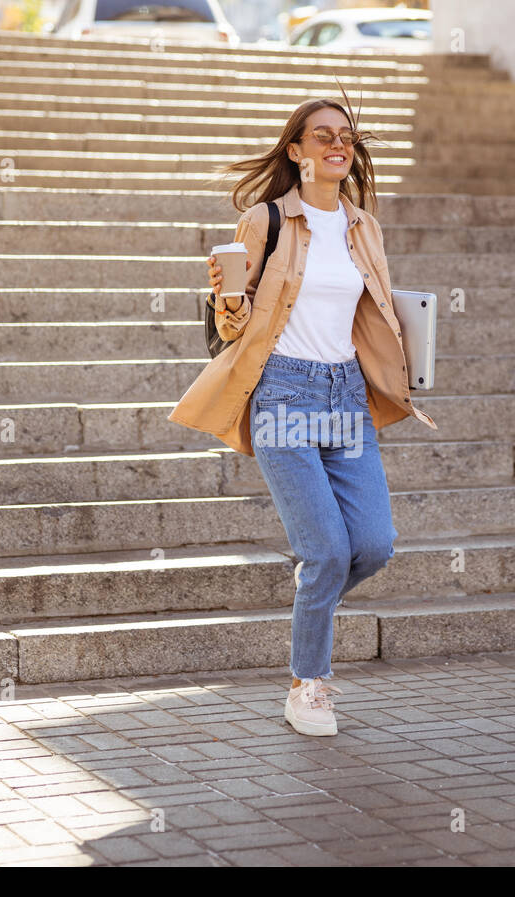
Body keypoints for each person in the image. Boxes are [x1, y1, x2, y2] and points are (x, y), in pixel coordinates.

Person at [167, 90, 438, 736]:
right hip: (283, 394)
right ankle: (307, 684)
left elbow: (373, 308)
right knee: (327, 551)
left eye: (346, 135)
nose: (338, 144)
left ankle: (314, 583)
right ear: (295, 151)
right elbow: (232, 327)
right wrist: (228, 295)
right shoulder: (265, 221)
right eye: (322, 135)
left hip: (347, 395)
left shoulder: (362, 227)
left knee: (371, 546)